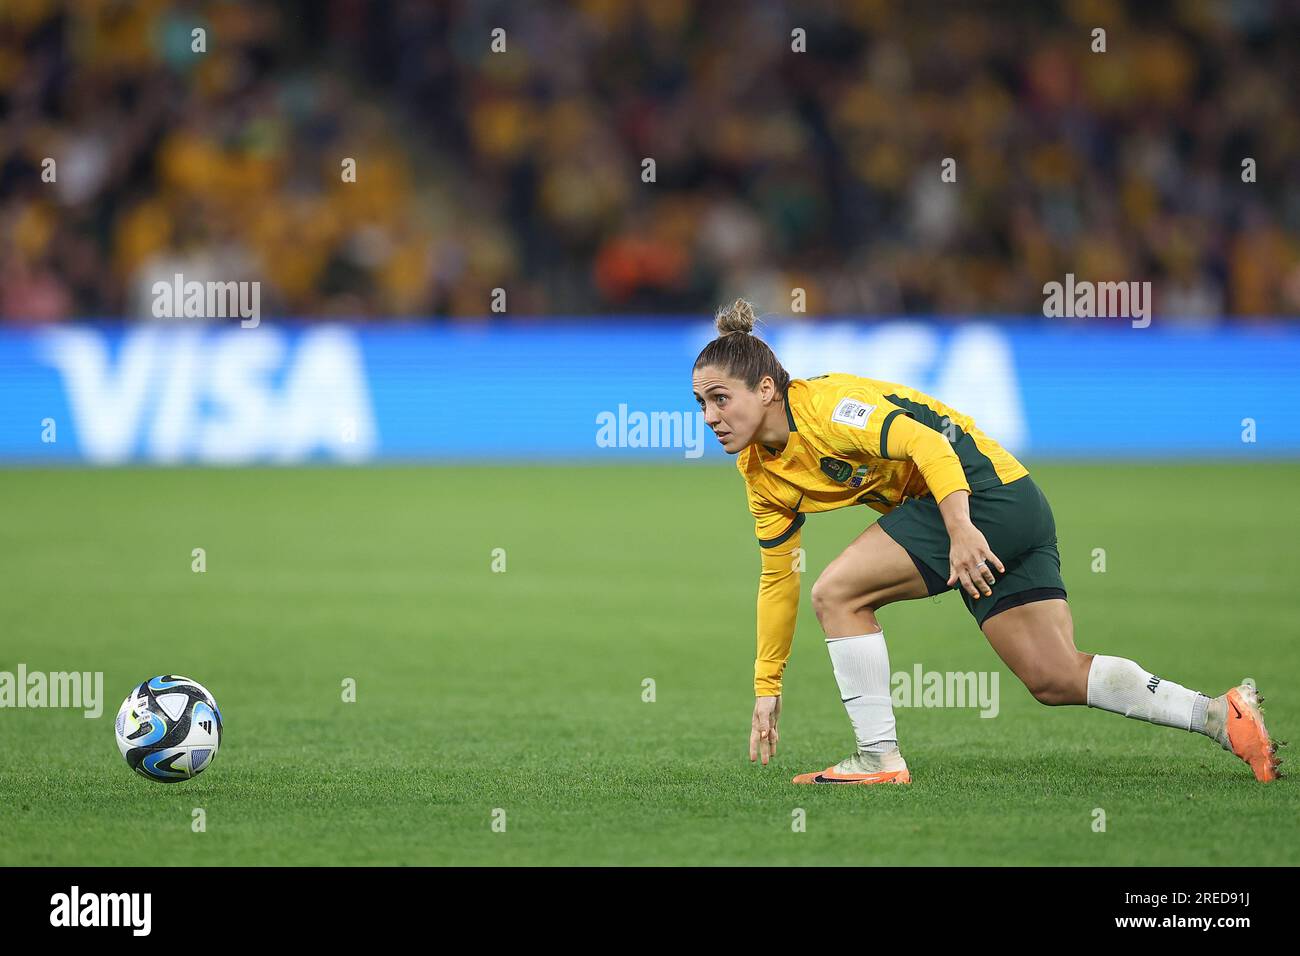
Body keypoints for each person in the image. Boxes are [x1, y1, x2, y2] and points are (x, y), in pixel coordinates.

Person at [691, 299, 1280, 785]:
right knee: (1054, 675)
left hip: (977, 496)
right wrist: (767, 686)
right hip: (1014, 504)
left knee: (838, 594)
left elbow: (930, 445)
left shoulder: (826, 407)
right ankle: (1217, 715)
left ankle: (878, 758)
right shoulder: (760, 473)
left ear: (766, 389)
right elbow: (777, 576)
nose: (711, 415)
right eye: (701, 404)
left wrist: (960, 529)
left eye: (722, 398)